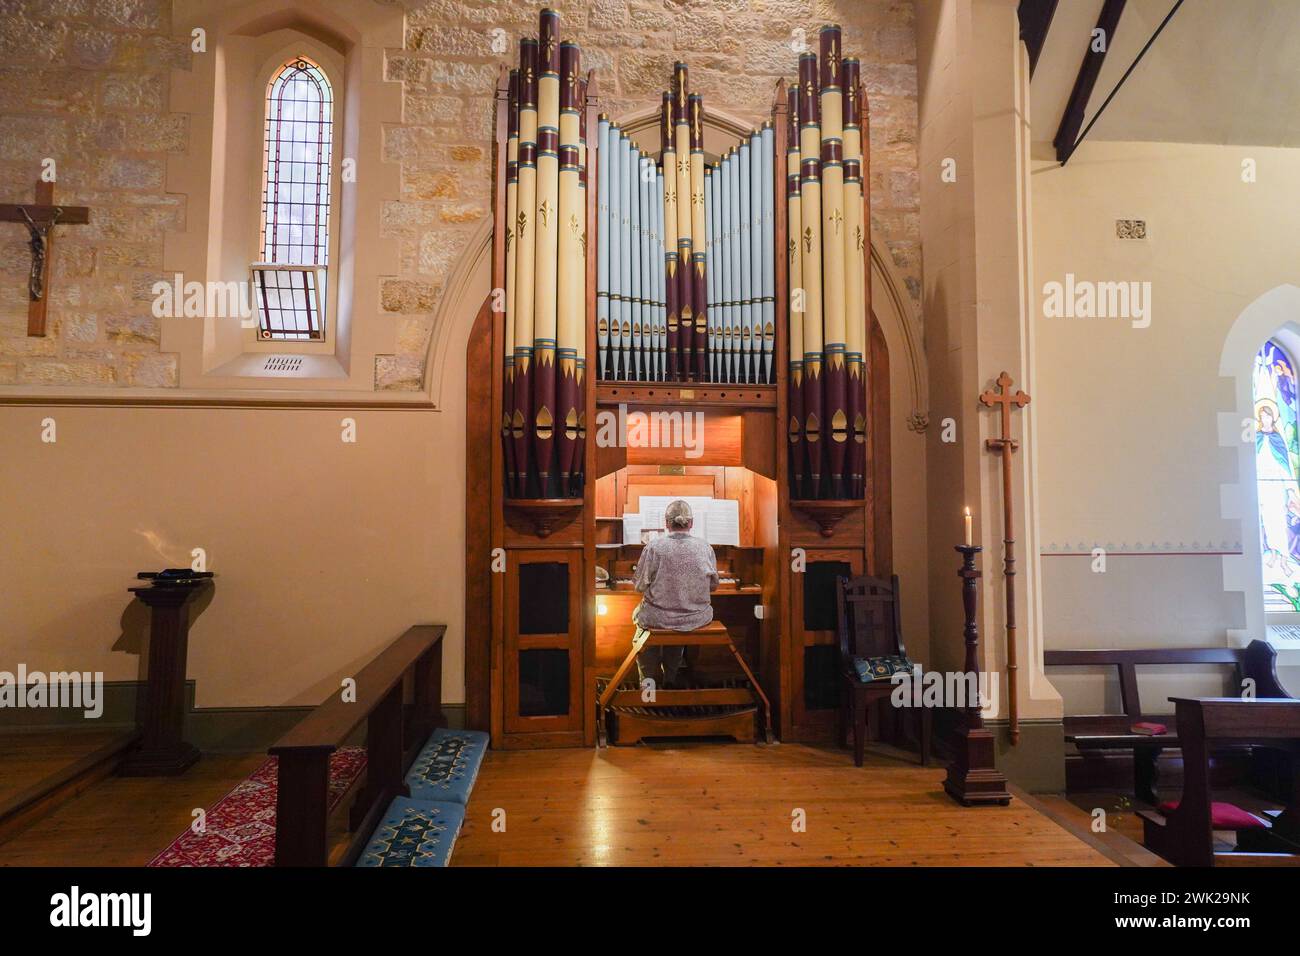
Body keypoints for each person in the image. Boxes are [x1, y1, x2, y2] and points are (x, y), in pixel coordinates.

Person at [632, 499, 719, 690]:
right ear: (691, 523)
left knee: (642, 620)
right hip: (695, 618)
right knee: (679, 625)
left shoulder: (654, 547)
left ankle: (647, 685)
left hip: (659, 617)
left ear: (666, 523)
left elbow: (638, 586)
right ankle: (671, 679)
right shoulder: (705, 547)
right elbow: (713, 586)